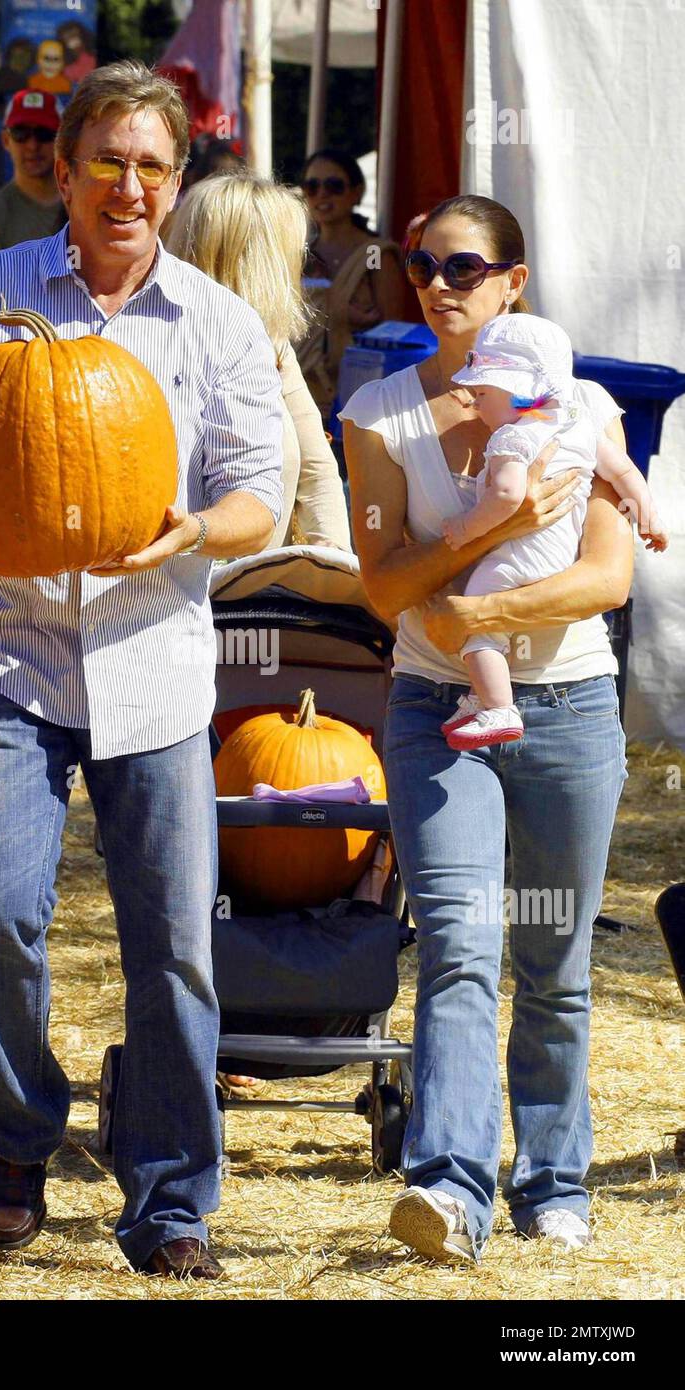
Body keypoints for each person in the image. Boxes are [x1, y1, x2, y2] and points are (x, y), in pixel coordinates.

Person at [0, 59, 283, 1281]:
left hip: (152, 660)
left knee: (174, 944)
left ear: (177, 179)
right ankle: (18, 1132)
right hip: (2, 648)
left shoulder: (215, 323)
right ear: (64, 167)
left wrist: (193, 532)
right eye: (106, 159)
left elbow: (256, 494)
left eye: (153, 166)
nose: (128, 186)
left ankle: (167, 1197)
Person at [340, 194, 632, 1264]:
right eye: (421, 264)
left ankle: (552, 1181)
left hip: (568, 708)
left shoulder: (578, 400)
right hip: (434, 708)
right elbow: (381, 591)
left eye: (464, 267)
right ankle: (448, 1190)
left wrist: (472, 606)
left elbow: (602, 578)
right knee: (458, 946)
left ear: (514, 284)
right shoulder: (377, 412)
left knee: (553, 960)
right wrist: (502, 531)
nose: (437, 283)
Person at [437, 312, 666, 749]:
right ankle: (481, 692)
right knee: (489, 622)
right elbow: (622, 470)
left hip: (522, 555)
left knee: (475, 618)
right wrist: (647, 514)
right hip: (562, 557)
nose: (474, 403)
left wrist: (466, 529)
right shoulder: (577, 424)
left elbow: (507, 497)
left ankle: (497, 705)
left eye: (483, 392)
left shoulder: (511, 439)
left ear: (520, 392)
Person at [165, 173, 351, 550]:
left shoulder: (275, 349)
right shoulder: (158, 346)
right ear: (259, 263)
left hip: (266, 594)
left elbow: (317, 474)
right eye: (293, 252)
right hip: (176, 593)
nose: (299, 266)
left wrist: (332, 561)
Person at [297, 148, 407, 422]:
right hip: (306, 397)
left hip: (361, 396)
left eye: (334, 186)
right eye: (312, 186)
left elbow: (391, 330)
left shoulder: (372, 253)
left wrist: (346, 316)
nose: (322, 194)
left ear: (356, 193)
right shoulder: (301, 253)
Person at [0, 90, 66, 259]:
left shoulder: (88, 206)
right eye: (20, 134)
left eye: (44, 133)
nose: (32, 145)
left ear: (62, 141)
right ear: (5, 140)